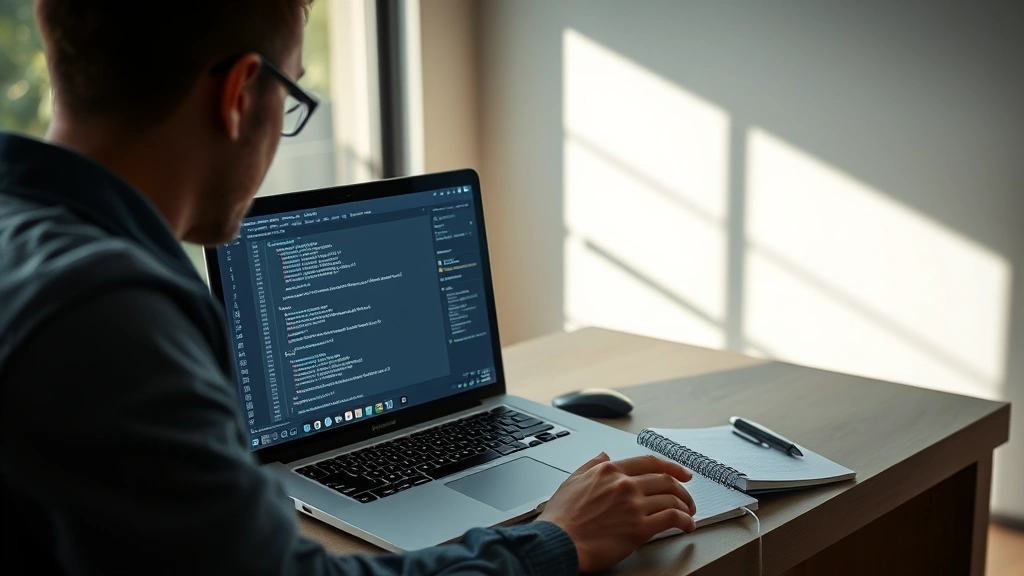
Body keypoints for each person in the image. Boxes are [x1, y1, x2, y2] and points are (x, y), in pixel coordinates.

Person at [0, 1, 697, 574]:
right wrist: (557, 540)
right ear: (241, 94)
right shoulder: (108, 318)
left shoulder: (29, 244)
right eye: (293, 96)